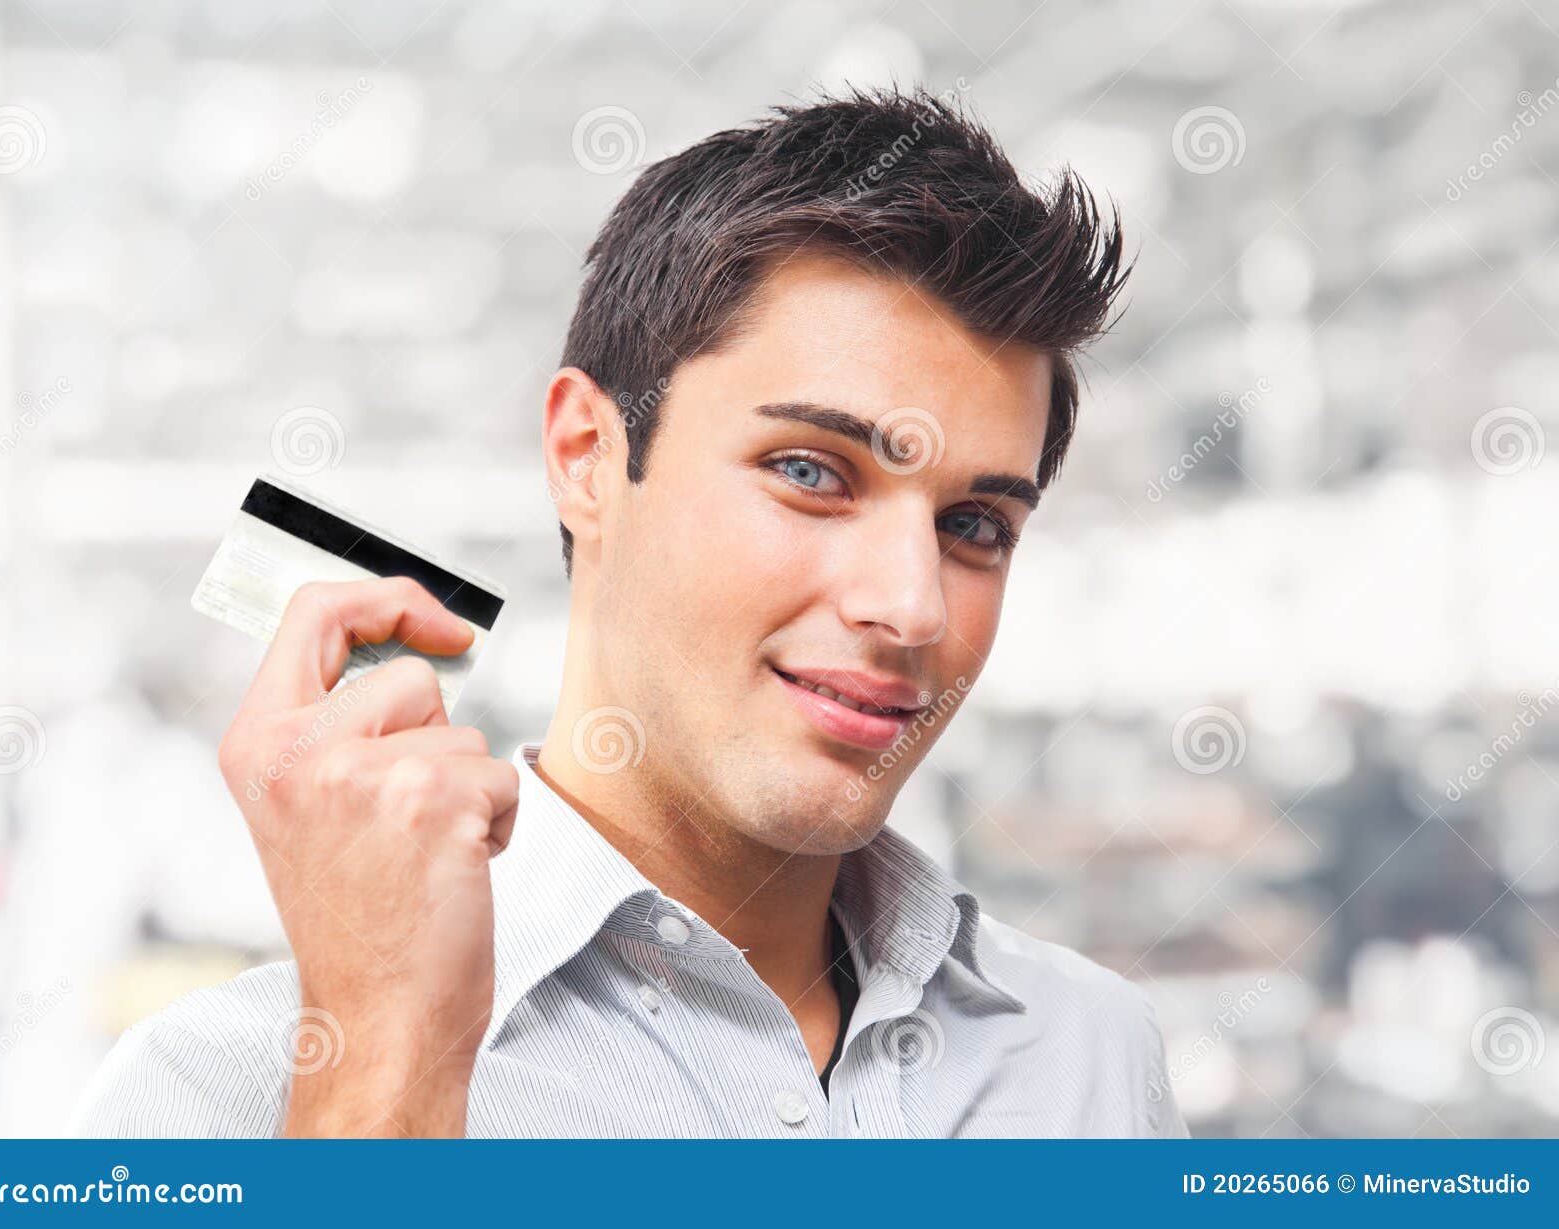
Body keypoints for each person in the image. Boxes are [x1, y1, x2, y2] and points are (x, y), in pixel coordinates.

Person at [74, 88, 1187, 1138]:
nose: (909, 605)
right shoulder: (222, 1095)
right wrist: (384, 1065)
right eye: (810, 471)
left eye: (976, 524)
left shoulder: (1090, 1056)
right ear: (587, 456)